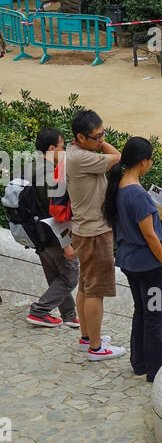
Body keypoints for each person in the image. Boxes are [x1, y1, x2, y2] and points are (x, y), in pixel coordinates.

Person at [102, 137, 162, 382]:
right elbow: (150, 235)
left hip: (128, 262)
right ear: (143, 162)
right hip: (149, 266)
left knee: (141, 311)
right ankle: (157, 370)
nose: (151, 163)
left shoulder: (118, 188)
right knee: (155, 314)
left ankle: (140, 362)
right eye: (150, 159)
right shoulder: (139, 196)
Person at [66, 109, 125, 359]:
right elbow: (117, 157)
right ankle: (96, 347)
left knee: (85, 286)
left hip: (83, 230)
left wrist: (97, 139)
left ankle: (87, 335)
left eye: (103, 133)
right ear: (80, 137)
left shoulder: (76, 152)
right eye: (97, 136)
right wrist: (103, 144)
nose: (101, 140)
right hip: (95, 233)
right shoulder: (81, 158)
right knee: (95, 291)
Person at [25, 128, 80, 329]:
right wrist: (67, 243)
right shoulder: (52, 175)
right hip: (54, 235)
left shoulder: (28, 167)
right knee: (70, 276)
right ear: (51, 148)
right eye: (62, 147)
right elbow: (57, 214)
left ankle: (69, 314)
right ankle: (40, 311)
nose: (64, 151)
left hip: (35, 234)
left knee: (56, 276)